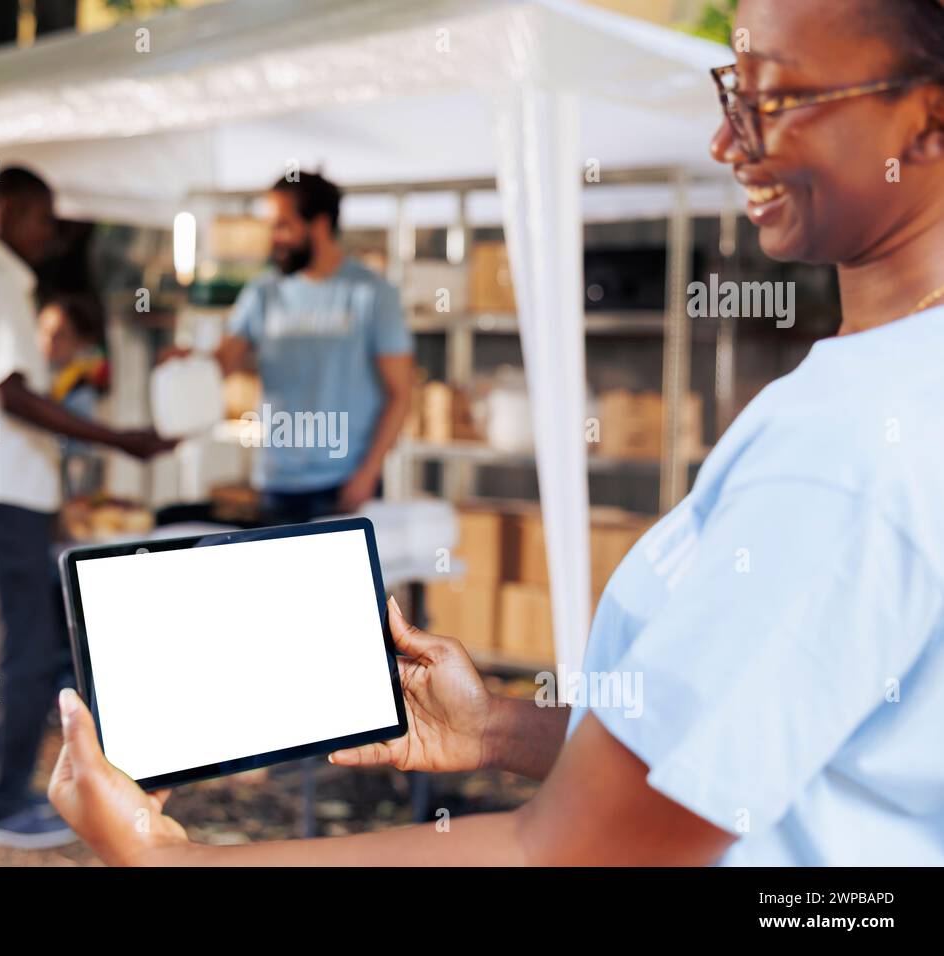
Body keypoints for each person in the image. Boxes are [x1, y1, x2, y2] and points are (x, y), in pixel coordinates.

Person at [46, 0, 944, 865]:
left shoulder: (846, 450)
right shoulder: (883, 396)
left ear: (927, 118)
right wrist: (495, 727)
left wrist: (169, 860)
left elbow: (564, 852)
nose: (726, 141)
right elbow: (732, 754)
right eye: (729, 93)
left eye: (774, 99)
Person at [0, 166, 173, 848]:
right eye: (40, 218)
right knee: (21, 653)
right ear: (5, 210)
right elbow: (14, 394)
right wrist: (119, 439)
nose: (49, 233)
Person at [165, 172, 414, 524]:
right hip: (277, 482)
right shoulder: (263, 294)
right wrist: (188, 362)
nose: (273, 239)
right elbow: (221, 364)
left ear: (320, 224)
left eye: (283, 226)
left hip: (345, 484)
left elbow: (400, 394)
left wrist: (367, 475)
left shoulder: (372, 294)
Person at [37, 295, 110, 498]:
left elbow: (80, 456)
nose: (48, 342)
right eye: (42, 331)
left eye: (59, 335)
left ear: (80, 342)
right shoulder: (33, 382)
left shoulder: (80, 392)